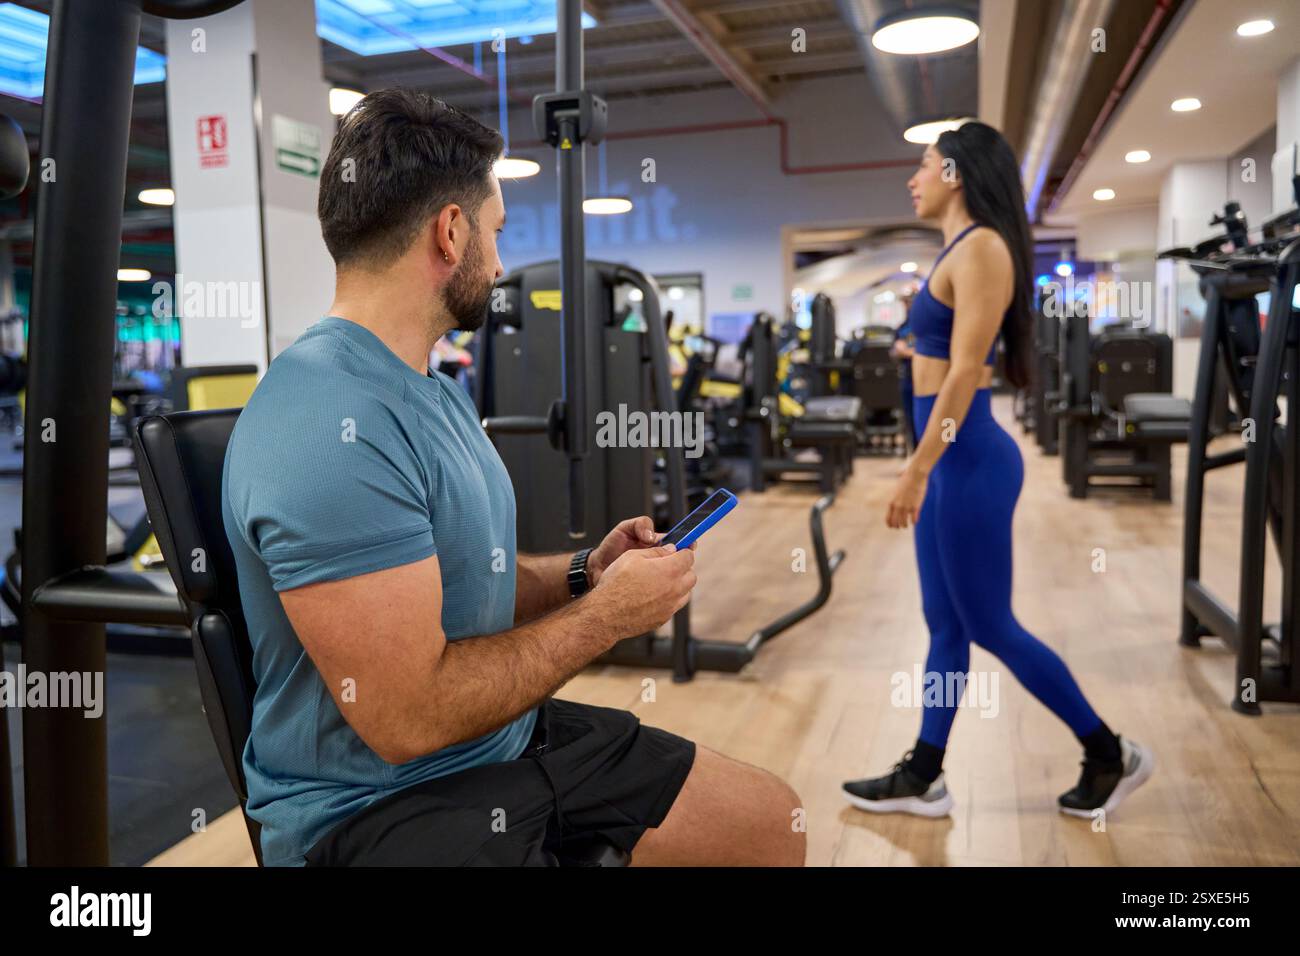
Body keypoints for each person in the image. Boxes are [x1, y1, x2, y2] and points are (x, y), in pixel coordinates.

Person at [223, 89, 804, 866]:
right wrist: (606, 621)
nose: (498, 263)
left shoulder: (429, 388)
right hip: (377, 811)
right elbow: (408, 719)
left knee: (772, 823)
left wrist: (585, 577)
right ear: (451, 232)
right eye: (495, 233)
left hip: (502, 745)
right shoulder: (327, 423)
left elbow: (466, 582)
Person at [841, 121, 1154, 819]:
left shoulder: (982, 247)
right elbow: (944, 348)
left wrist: (917, 470)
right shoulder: (959, 249)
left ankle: (1110, 753)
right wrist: (910, 347)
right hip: (952, 460)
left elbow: (968, 370)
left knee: (990, 625)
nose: (912, 178)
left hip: (968, 460)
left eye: (923, 165)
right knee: (944, 624)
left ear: (954, 172)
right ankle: (925, 774)